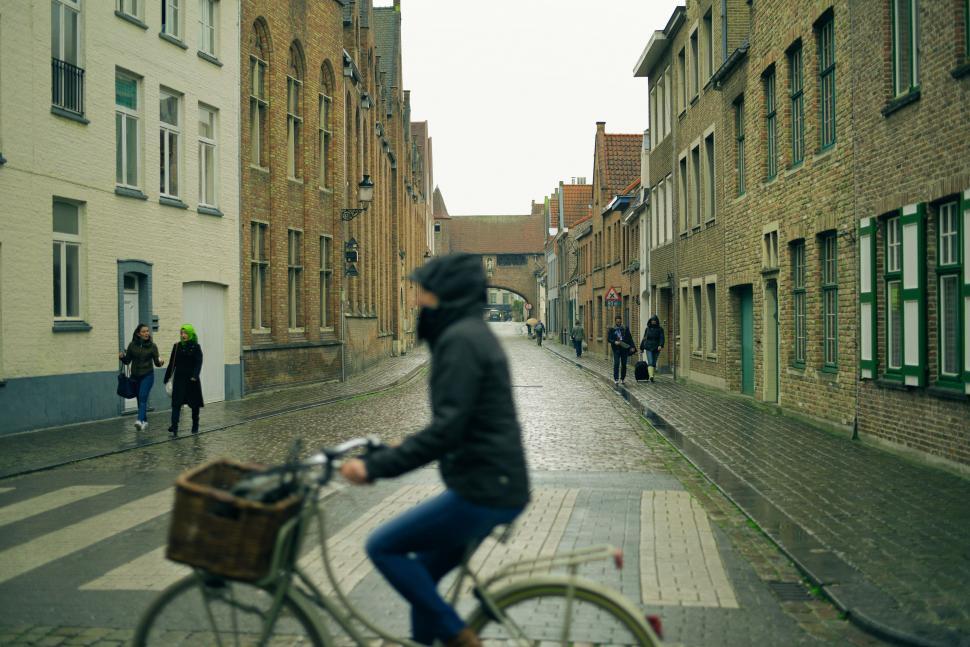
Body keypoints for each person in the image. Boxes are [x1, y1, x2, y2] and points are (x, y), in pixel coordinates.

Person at [340, 253, 530, 647]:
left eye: (424, 292)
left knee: (382, 546)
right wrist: (401, 447)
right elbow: (462, 421)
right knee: (422, 577)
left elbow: (447, 430)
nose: (416, 300)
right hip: (494, 482)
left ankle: (460, 637)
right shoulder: (469, 334)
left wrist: (374, 468)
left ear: (447, 294)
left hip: (483, 491)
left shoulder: (459, 341)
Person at [118, 323, 164, 431]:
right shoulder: (132, 345)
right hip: (135, 376)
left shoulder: (153, 346)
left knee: (143, 396)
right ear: (138, 334)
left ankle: (139, 420)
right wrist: (122, 357)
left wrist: (160, 363)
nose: (146, 333)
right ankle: (145, 421)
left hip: (148, 375)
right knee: (140, 399)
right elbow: (127, 361)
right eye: (144, 331)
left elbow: (156, 362)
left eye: (147, 331)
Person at [163, 324, 204, 436]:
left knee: (194, 404)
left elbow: (199, 362)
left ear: (190, 334)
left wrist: (195, 375)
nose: (183, 335)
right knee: (176, 403)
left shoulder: (196, 347)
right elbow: (172, 363)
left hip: (192, 380)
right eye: (181, 333)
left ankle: (195, 425)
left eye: (185, 333)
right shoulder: (177, 346)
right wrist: (167, 377)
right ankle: (174, 426)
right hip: (179, 379)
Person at [608, 315, 636, 385]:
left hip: (624, 348)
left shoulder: (625, 328)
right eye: (617, 322)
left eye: (620, 322)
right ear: (615, 321)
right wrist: (614, 342)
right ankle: (616, 378)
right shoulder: (612, 329)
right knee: (616, 363)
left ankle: (623, 378)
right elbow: (609, 339)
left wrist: (632, 346)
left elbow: (630, 338)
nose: (619, 323)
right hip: (616, 349)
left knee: (624, 364)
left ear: (621, 321)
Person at [640, 314, 666, 383]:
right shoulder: (647, 329)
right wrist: (641, 347)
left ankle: (652, 376)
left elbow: (662, 338)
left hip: (656, 348)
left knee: (654, 362)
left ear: (657, 321)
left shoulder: (660, 329)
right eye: (652, 320)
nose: (653, 321)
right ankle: (651, 376)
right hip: (648, 347)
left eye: (655, 320)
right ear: (650, 321)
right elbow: (644, 338)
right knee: (650, 361)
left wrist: (660, 345)